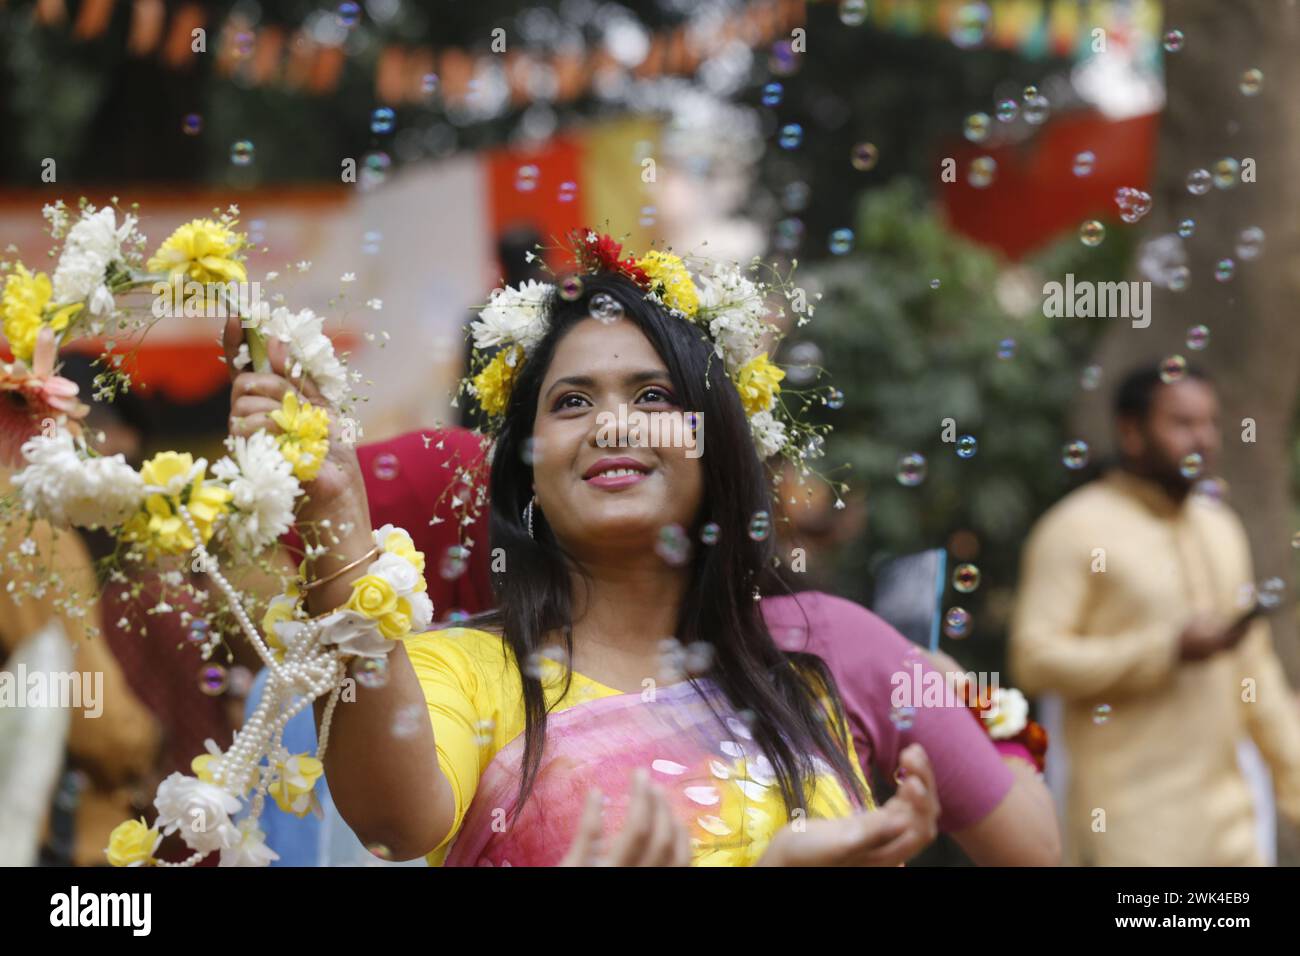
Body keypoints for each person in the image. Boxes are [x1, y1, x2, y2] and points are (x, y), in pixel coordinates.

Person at [223, 264, 942, 866]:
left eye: (653, 395)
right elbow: (390, 821)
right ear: (528, 470)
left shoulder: (796, 696)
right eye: (571, 402)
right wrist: (335, 514)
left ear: (713, 441)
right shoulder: (462, 673)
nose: (610, 424)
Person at [1009, 363, 1300, 865]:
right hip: (1131, 832)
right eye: (1183, 424)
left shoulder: (1221, 529)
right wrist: (1166, 649)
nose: (1204, 439)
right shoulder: (1075, 529)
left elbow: (1258, 679)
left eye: (1210, 423)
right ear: (1130, 431)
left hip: (1233, 832)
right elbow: (1033, 659)